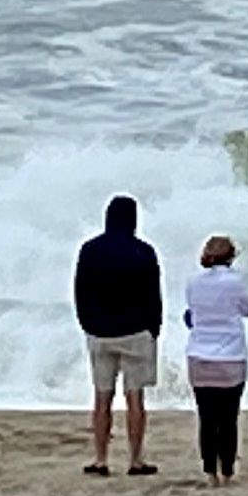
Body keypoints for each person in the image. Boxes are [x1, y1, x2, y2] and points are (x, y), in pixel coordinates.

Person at [75, 195, 163, 477]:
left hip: (100, 331)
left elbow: (81, 291)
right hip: (136, 331)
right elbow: (153, 296)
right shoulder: (144, 252)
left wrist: (87, 323)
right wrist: (154, 328)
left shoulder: (90, 250)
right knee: (135, 398)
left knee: (102, 398)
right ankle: (135, 459)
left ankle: (101, 459)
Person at [184, 235, 248, 485]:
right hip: (231, 355)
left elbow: (191, 313)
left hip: (199, 354)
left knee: (206, 417)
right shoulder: (236, 282)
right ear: (231, 257)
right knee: (228, 418)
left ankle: (209, 471)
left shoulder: (194, 281)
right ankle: (227, 469)